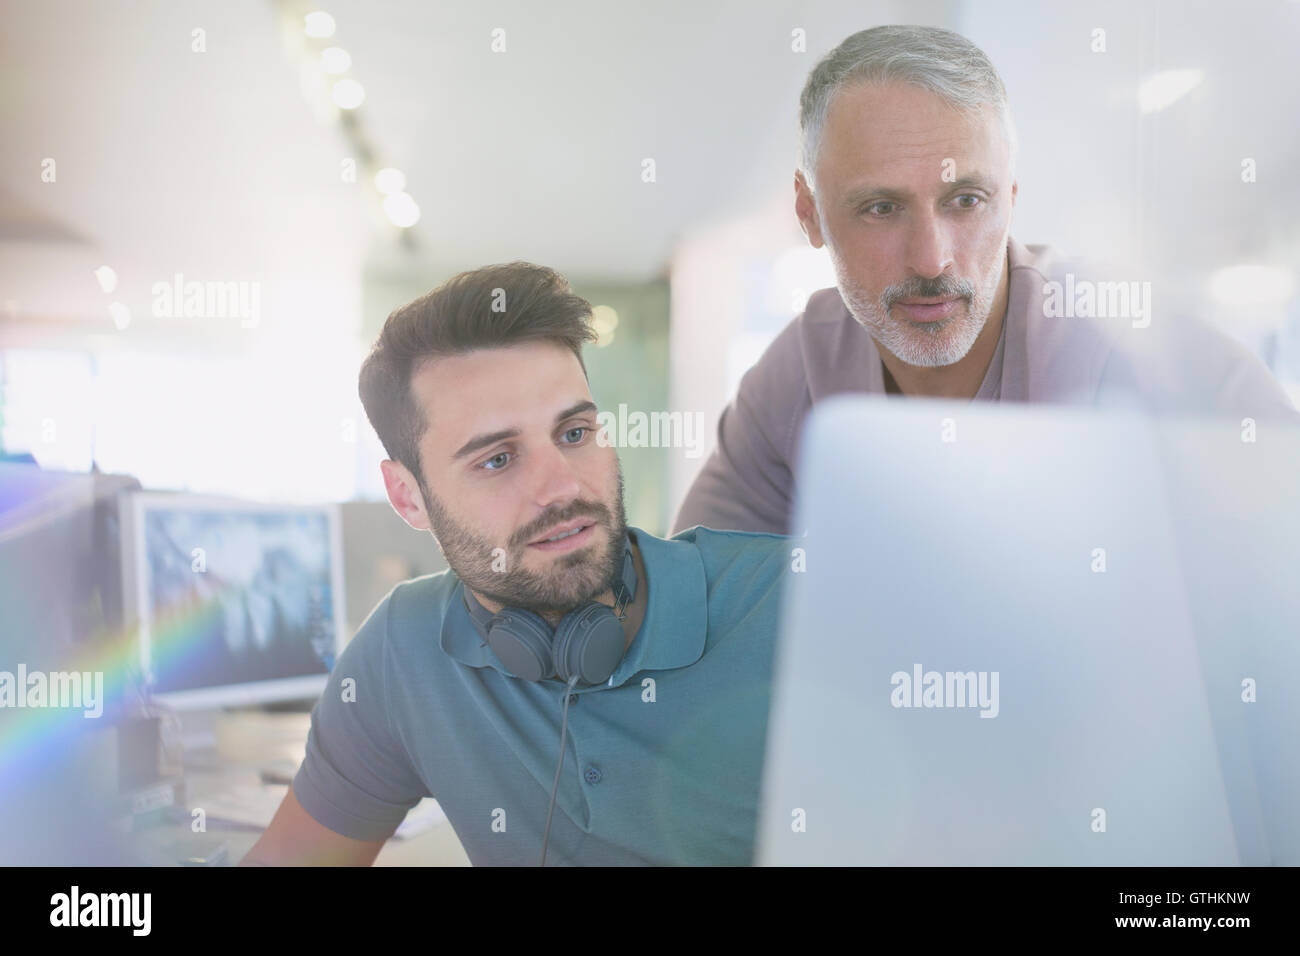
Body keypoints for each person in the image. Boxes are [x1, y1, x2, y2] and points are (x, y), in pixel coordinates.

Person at [241, 262, 788, 866]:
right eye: (498, 460)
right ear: (408, 496)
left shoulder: (789, 603)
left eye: (575, 433)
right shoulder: (404, 648)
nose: (561, 487)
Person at [673, 25, 1299, 536]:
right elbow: (691, 607)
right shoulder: (801, 375)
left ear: (1012, 200)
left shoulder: (1122, 341)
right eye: (881, 208)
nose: (931, 261)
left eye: (966, 200)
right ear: (810, 215)